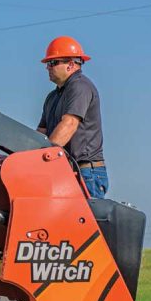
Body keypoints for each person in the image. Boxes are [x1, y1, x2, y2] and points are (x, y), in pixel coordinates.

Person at [37, 36, 108, 198]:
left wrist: (41, 160)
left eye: (53, 63)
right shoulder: (52, 97)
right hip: (67, 170)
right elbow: (41, 133)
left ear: (71, 64)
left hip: (87, 173)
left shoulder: (80, 86)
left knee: (84, 222)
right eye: (48, 64)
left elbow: (69, 124)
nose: (48, 67)